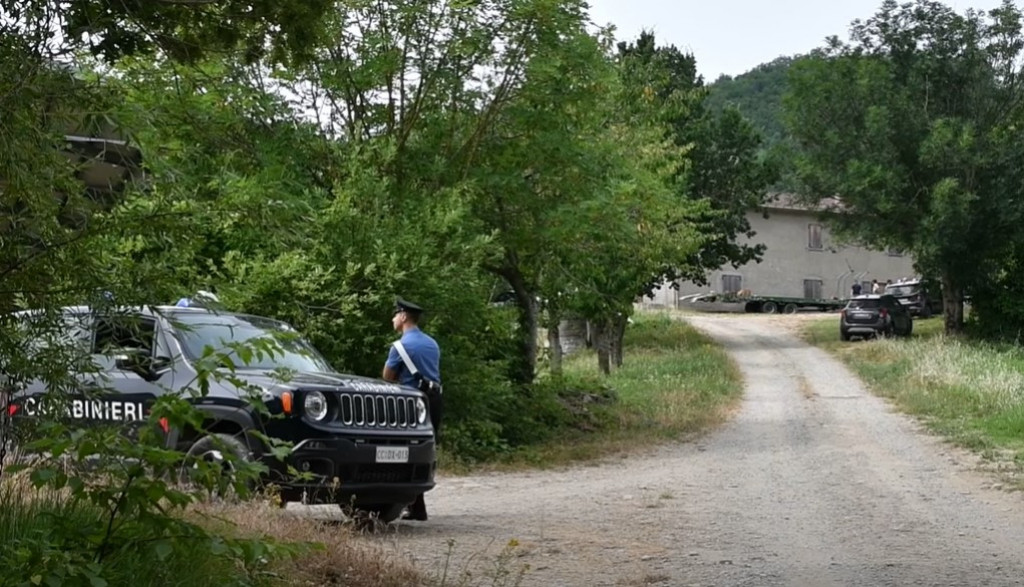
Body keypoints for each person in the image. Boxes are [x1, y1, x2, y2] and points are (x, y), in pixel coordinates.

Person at [382, 297, 441, 521]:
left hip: (411, 404)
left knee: (404, 451)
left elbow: (387, 377)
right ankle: (417, 507)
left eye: (396, 314)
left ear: (404, 317)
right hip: (434, 400)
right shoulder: (432, 344)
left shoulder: (400, 346)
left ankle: (413, 505)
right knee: (425, 448)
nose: (393, 318)